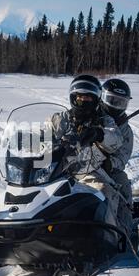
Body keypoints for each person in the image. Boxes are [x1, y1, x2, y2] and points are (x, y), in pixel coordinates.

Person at [48, 75, 124, 226]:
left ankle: (110, 231)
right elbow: (42, 134)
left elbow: (116, 139)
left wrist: (99, 134)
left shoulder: (104, 120)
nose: (83, 101)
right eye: (80, 97)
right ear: (72, 98)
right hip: (55, 170)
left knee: (103, 191)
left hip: (88, 170)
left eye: (88, 98)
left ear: (96, 100)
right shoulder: (61, 118)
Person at [100, 78, 135, 240]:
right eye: (112, 100)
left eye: (121, 102)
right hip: (79, 164)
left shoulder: (125, 129)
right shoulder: (92, 114)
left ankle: (124, 231)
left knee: (123, 184)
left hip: (108, 169)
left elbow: (123, 157)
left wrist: (109, 163)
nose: (115, 105)